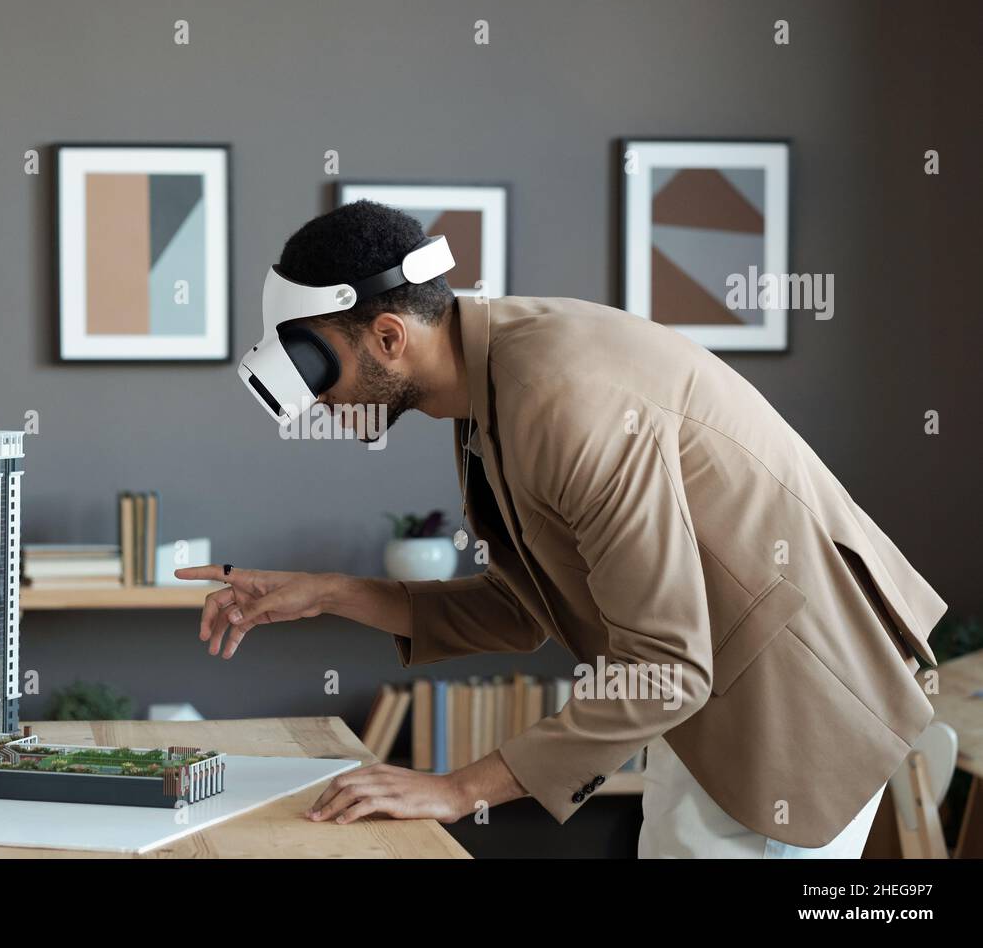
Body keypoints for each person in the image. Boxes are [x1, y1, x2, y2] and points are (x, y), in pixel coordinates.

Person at [178, 200, 942, 857]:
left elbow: (667, 666)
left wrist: (457, 789)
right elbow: (525, 606)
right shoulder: (492, 384)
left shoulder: (561, 398)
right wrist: (330, 594)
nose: (317, 401)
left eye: (319, 367)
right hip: (706, 696)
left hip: (788, 705)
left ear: (387, 337)